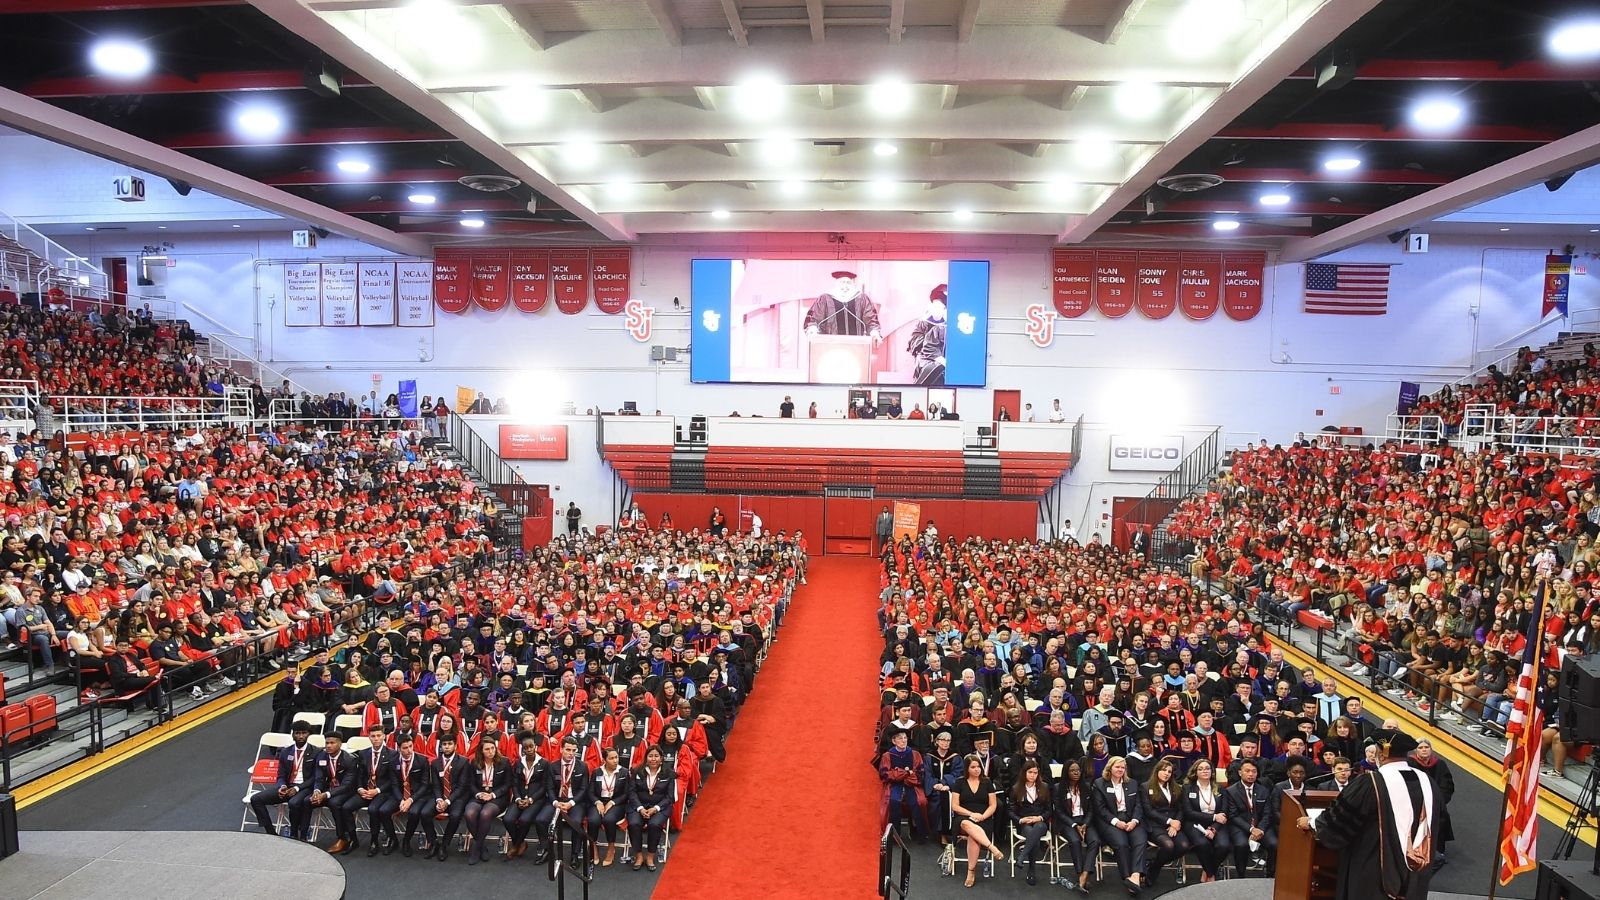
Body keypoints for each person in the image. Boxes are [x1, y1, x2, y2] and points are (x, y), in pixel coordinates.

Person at [1303, 728, 1438, 900]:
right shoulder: (1428, 783)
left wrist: (1313, 823)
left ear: (1382, 754)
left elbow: (1339, 821)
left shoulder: (1371, 783)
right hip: (1415, 871)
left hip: (1374, 868)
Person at [251, 719, 316, 839]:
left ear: (309, 734)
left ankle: (294, 834)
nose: (301, 736)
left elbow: (315, 778)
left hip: (305, 787)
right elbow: (280, 775)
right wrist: (282, 786)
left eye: (304, 733)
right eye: (297, 733)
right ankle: (271, 833)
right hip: (287, 786)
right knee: (256, 799)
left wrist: (297, 788)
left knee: (294, 802)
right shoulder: (285, 752)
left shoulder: (316, 752)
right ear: (292, 735)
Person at [1093, 755, 1147, 896]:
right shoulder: (1099, 784)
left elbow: (1138, 805)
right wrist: (1117, 822)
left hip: (1131, 820)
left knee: (1140, 840)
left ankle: (1135, 876)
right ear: (1110, 768)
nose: (1120, 769)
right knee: (1121, 843)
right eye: (1117, 767)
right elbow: (1100, 809)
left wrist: (1134, 821)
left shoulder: (1133, 783)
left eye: (1123, 767)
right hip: (1110, 821)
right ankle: (1127, 876)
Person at [951, 752, 1005, 888]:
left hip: (984, 818)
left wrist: (983, 816)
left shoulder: (987, 782)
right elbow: (955, 806)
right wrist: (971, 814)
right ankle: (991, 847)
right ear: (967, 769)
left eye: (978, 767)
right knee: (966, 824)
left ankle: (971, 871)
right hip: (964, 816)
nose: (977, 770)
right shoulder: (959, 782)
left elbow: (993, 804)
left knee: (973, 837)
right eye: (973, 767)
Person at [1224, 758, 1276, 877]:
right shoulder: (1231, 791)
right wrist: (1251, 829)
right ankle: (1240, 875)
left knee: (1274, 843)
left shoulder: (1264, 790)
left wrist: (1260, 829)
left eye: (1254, 771)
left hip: (1261, 826)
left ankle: (1270, 874)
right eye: (1247, 771)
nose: (1251, 774)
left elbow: (1268, 814)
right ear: (1240, 772)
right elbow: (1233, 816)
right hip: (1240, 826)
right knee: (1241, 844)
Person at [1054, 757, 1098, 894]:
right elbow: (1059, 811)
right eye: (1072, 770)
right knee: (1074, 840)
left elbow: (1091, 809)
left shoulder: (1086, 786)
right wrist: (1074, 824)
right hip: (1067, 822)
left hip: (1085, 821)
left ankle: (1085, 874)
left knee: (1095, 841)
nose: (1076, 773)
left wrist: (1085, 823)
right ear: (1066, 772)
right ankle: (1080, 874)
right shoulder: (1058, 788)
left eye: (1078, 770)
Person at [311, 731, 359, 854]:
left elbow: (346, 785)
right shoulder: (321, 757)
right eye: (326, 743)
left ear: (340, 744)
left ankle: (342, 837)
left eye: (332, 743)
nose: (328, 745)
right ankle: (302, 834)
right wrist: (317, 791)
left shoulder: (349, 760)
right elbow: (319, 778)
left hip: (347, 791)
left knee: (334, 803)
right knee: (307, 801)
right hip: (329, 789)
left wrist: (325, 794)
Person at [463, 738, 510, 864]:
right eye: (487, 749)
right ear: (481, 751)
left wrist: (492, 795)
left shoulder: (504, 762)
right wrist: (478, 794)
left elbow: (507, 785)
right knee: (469, 813)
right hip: (479, 795)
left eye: (493, 748)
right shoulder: (475, 762)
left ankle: (476, 849)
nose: (491, 751)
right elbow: (471, 784)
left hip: (497, 797)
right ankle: (482, 846)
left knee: (485, 813)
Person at [1144, 757, 1191, 884]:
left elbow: (1181, 809)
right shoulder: (1145, 787)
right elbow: (1149, 811)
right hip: (1155, 825)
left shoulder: (1176, 788)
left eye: (1169, 772)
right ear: (1157, 771)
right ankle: (1154, 870)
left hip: (1174, 824)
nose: (1166, 774)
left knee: (1184, 846)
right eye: (1164, 770)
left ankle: (1154, 863)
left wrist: (1176, 824)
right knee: (1168, 845)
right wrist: (1169, 821)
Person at [1182, 758, 1230, 882]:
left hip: (1217, 824)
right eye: (1201, 769)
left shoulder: (1220, 788)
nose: (1205, 771)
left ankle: (1208, 869)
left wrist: (1213, 828)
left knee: (1223, 846)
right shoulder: (1188, 788)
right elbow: (1188, 813)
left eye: (1207, 768)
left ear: (1212, 771)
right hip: (1194, 823)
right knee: (1202, 844)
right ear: (1195, 772)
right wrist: (1214, 816)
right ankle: (1211, 875)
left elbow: (1224, 811)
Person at [424, 735, 471, 860]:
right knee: (424, 813)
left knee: (455, 816)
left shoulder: (463, 762)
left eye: (450, 744)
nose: (447, 746)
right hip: (439, 797)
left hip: (457, 797)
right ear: (441, 746)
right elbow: (435, 785)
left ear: (455, 745)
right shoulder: (435, 763)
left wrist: (448, 801)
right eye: (444, 744)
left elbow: (461, 787)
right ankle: (433, 842)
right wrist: (439, 799)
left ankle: (444, 844)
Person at [356, 721, 399, 856]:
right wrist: (360, 789)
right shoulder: (363, 753)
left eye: (378, 735)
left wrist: (377, 790)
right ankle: (349, 838)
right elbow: (360, 775)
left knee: (374, 809)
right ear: (368, 737)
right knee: (345, 806)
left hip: (384, 791)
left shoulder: (392, 754)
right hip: (366, 791)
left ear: (384, 737)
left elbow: (393, 779)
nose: (376, 739)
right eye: (373, 736)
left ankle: (376, 840)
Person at [879, 729, 930, 840]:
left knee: (919, 802)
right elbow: (885, 775)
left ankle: (919, 833)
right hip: (893, 786)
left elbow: (920, 774)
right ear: (894, 741)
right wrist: (907, 773)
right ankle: (894, 835)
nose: (903, 741)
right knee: (893, 801)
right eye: (900, 738)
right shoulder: (887, 756)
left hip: (912, 784)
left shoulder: (915, 754)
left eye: (905, 738)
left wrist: (899, 774)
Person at [504, 734, 549, 860]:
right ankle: (521, 842)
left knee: (524, 820)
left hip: (536, 799)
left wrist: (530, 799)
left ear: (536, 747)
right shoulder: (518, 763)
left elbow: (544, 786)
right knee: (507, 819)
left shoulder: (544, 763)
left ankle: (516, 845)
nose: (529, 749)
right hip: (519, 798)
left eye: (531, 746)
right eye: (526, 747)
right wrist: (518, 798)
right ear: (522, 749)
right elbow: (515, 783)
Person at [628, 745, 673, 871]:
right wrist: (640, 808)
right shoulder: (637, 771)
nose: (653, 759)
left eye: (656, 756)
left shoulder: (669, 773)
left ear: (662, 758)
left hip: (660, 807)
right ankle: (638, 856)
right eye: (651, 756)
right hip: (638, 806)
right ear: (646, 758)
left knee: (654, 824)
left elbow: (670, 797)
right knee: (634, 823)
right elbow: (632, 792)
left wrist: (656, 808)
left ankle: (650, 856)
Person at [803, 270, 881, 339]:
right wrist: (812, 329)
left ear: (853, 284)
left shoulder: (862, 298)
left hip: (857, 344)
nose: (845, 286)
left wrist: (874, 332)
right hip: (830, 345)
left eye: (848, 283)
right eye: (842, 282)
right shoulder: (825, 299)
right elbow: (814, 319)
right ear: (836, 284)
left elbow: (871, 320)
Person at [1010, 759, 1052, 885]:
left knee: (1038, 828)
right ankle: (1031, 871)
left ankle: (1022, 857)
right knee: (1031, 833)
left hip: (1040, 821)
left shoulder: (1044, 787)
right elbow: (1010, 811)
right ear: (1024, 773)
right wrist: (1020, 819)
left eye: (1035, 772)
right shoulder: (1016, 788)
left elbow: (1049, 810)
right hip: (1024, 822)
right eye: (1030, 772)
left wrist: (1040, 818)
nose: (1033, 775)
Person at [587, 746, 631, 866]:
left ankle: (611, 847)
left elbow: (626, 793)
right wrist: (598, 802)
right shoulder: (597, 772)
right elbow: (590, 792)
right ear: (604, 760)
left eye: (616, 757)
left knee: (609, 819)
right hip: (599, 801)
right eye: (611, 758)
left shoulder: (624, 772)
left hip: (617, 802)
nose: (615, 760)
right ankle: (593, 847)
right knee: (593, 820)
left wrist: (612, 802)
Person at [392, 733, 434, 857]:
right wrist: (401, 800)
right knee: (383, 809)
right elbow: (394, 784)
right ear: (398, 748)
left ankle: (408, 840)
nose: (409, 750)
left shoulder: (422, 760)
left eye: (411, 746)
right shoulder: (393, 761)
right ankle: (396, 840)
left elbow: (425, 785)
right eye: (405, 748)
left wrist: (410, 799)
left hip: (420, 795)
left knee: (415, 812)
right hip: (401, 795)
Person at [907, 284, 948, 386]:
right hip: (925, 359)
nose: (937, 309)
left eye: (940, 306)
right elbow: (914, 341)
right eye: (935, 306)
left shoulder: (948, 324)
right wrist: (929, 342)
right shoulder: (923, 322)